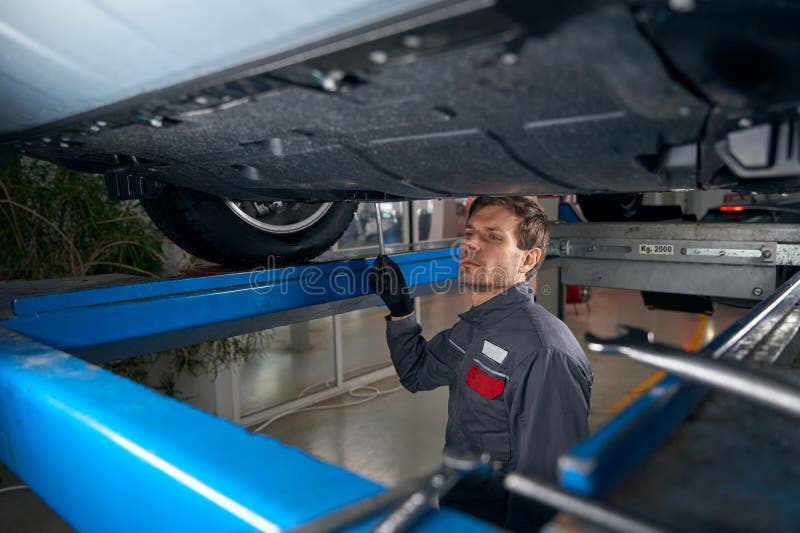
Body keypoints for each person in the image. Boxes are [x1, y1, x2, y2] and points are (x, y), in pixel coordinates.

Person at [370, 196, 593, 531]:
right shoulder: (474, 328)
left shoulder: (543, 353)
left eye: (493, 237)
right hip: (459, 506)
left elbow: (546, 491)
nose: (470, 244)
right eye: (470, 233)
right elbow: (416, 374)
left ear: (527, 259)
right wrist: (401, 310)